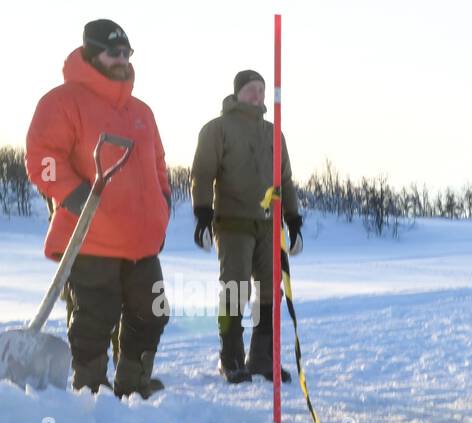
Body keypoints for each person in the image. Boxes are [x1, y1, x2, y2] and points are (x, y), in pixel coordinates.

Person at [25, 18, 171, 397]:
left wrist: (164, 203)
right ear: (92, 53)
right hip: (90, 237)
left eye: (126, 52)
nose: (122, 59)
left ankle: (133, 383)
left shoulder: (142, 111)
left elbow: (159, 165)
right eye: (113, 52)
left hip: (141, 240)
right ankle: (90, 389)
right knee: (94, 319)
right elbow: (43, 158)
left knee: (152, 312)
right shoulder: (62, 101)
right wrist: (77, 198)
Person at [192, 69, 302, 383]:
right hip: (232, 223)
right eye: (251, 89)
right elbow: (202, 174)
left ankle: (262, 359)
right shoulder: (217, 129)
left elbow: (286, 180)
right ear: (238, 92)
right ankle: (231, 358)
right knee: (234, 289)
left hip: (269, 225)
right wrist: (203, 213)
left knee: (270, 291)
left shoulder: (274, 132)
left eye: (261, 90)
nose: (257, 95)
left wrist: (293, 220)